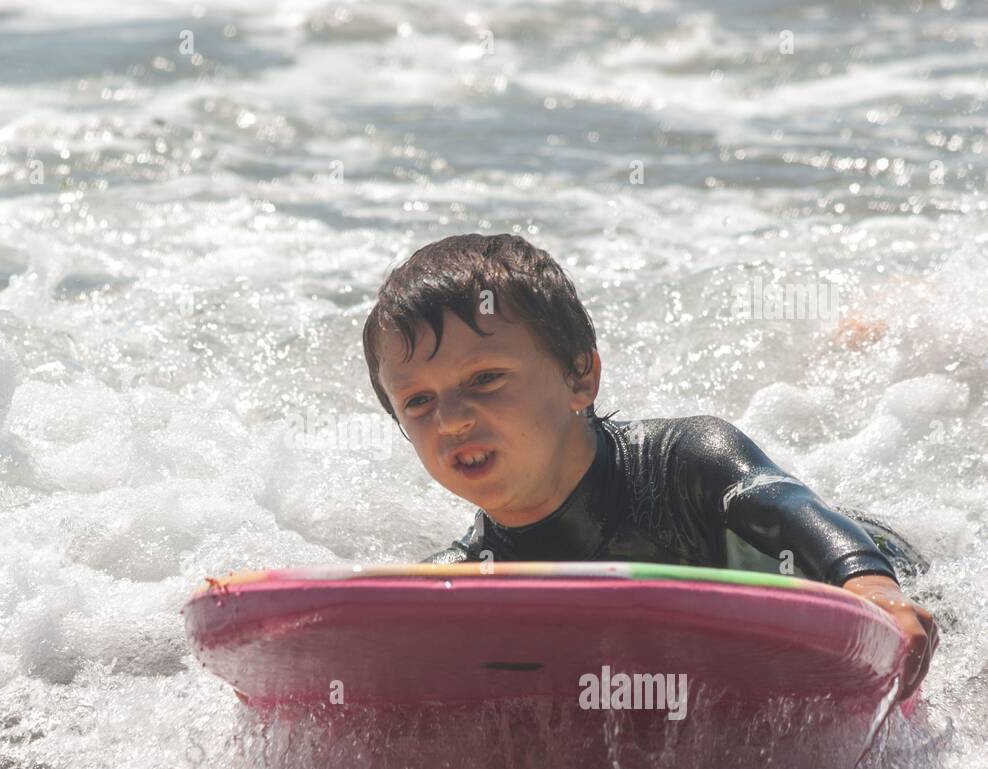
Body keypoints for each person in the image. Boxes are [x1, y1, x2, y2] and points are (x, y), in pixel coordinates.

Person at [362, 234, 939, 701]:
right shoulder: (466, 574)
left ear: (579, 377)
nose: (453, 420)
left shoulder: (687, 461)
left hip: (889, 571)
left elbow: (789, 507)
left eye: (484, 379)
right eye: (418, 402)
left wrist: (874, 587)